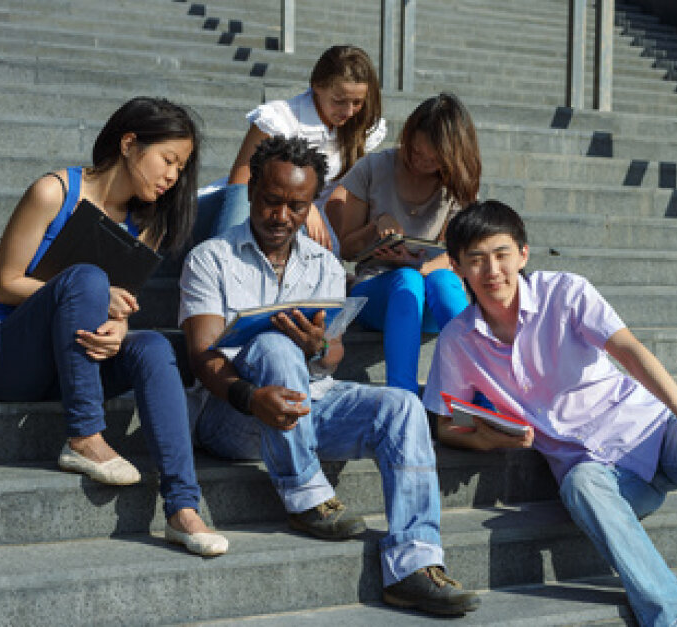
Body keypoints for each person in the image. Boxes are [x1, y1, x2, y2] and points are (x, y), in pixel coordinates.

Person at [422, 201, 677, 627]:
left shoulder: (565, 292)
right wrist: (490, 439)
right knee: (581, 485)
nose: (492, 270)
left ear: (523, 254)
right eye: (476, 260)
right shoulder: (458, 341)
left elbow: (629, 350)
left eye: (501, 254)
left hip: (650, 432)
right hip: (595, 471)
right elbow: (447, 425)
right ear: (458, 267)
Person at [179, 135, 480, 616]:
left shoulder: (322, 262)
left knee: (402, 405)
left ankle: (414, 565)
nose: (281, 217)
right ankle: (306, 496)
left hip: (308, 401)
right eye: (272, 201)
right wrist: (250, 397)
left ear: (310, 206)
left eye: (296, 207)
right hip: (234, 415)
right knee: (273, 344)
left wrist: (319, 346)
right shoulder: (210, 258)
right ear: (252, 191)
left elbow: (332, 355)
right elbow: (201, 356)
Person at [0, 97, 228, 557]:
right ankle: (85, 435)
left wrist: (119, 326)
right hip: (6, 357)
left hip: (71, 360)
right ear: (129, 143)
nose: (172, 177)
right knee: (87, 277)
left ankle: (183, 508)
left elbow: (115, 309)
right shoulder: (55, 191)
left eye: (180, 168)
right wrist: (82, 290)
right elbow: (5, 284)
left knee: (152, 346)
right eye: (168, 160)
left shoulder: (147, 224)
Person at [328, 93, 480, 394]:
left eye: (432, 159)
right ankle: (403, 397)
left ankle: (485, 394)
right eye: (414, 151)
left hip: (432, 297)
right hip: (376, 292)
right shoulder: (374, 167)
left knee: (443, 281)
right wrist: (375, 227)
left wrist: (415, 263)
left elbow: (459, 256)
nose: (420, 162)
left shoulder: (457, 185)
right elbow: (347, 248)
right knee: (407, 280)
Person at [196, 44, 385, 252]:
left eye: (357, 102)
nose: (349, 111)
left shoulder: (361, 129)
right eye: (339, 101)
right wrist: (304, 204)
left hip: (309, 222)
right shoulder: (280, 118)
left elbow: (340, 196)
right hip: (256, 207)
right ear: (316, 86)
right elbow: (241, 184)